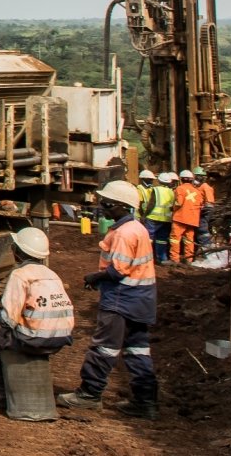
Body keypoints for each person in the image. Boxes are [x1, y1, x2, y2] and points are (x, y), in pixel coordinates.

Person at [58, 178, 158, 419]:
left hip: (121, 300)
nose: (103, 207)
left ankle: (89, 394)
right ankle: (146, 403)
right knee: (137, 351)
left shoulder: (124, 233)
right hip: (141, 301)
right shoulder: (139, 229)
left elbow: (117, 270)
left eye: (108, 204)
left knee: (105, 348)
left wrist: (95, 277)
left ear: (122, 206)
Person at [0, 226, 74, 411]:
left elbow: (7, 321)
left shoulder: (20, 275)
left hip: (33, 338)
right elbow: (36, 304)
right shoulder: (51, 275)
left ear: (18, 252)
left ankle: (1, 395)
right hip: (60, 339)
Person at [170, 169, 203, 264]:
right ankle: (189, 259)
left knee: (175, 239)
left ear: (181, 179)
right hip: (193, 219)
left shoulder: (180, 189)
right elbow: (200, 204)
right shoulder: (197, 191)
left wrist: (172, 209)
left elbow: (178, 203)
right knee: (189, 240)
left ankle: (174, 259)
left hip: (180, 218)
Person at [149, 174, 176, 264]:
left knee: (149, 238)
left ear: (159, 181)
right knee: (162, 239)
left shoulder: (156, 189)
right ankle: (162, 258)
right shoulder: (171, 192)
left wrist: (145, 215)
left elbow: (151, 204)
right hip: (166, 219)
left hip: (153, 217)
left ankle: (147, 258)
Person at [195, 168, 216, 251]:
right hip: (202, 209)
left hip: (206, 210)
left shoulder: (205, 187)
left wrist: (203, 209)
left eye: (198, 177)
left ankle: (207, 248)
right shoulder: (199, 187)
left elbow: (209, 202)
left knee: (202, 229)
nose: (196, 179)